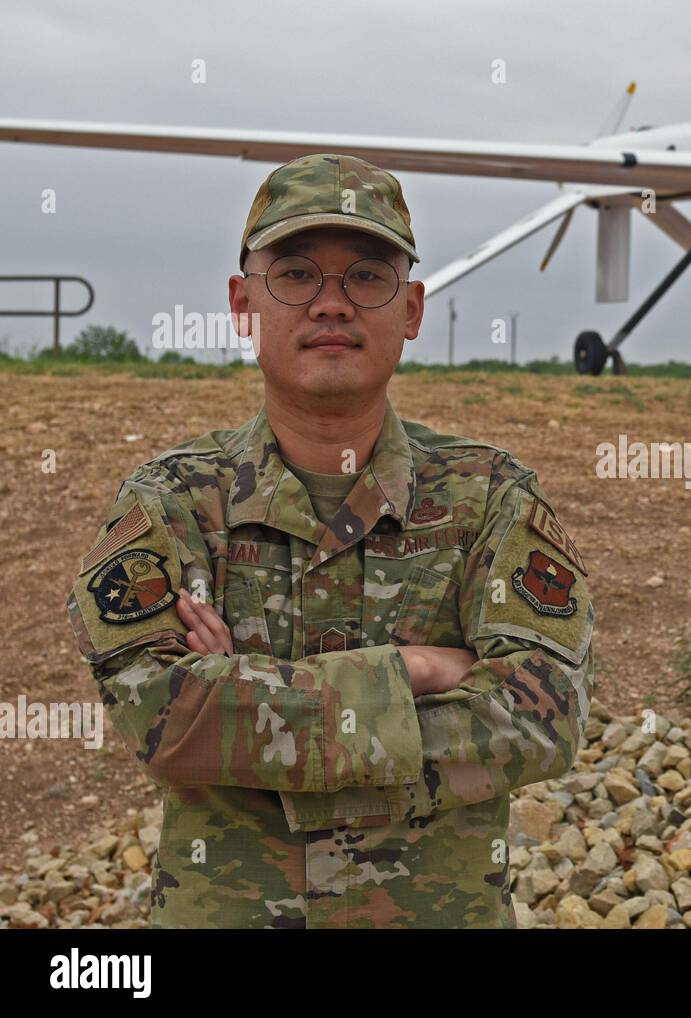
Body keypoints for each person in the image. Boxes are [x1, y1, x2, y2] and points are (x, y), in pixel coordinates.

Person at [65, 153, 595, 928]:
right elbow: (165, 720)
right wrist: (414, 672)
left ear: (411, 310)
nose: (332, 304)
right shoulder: (174, 500)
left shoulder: (489, 498)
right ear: (242, 304)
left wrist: (250, 705)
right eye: (297, 274)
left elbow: (544, 718)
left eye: (367, 277)